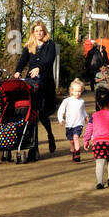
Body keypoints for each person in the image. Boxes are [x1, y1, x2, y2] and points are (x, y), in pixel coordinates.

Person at [15, 19, 57, 157]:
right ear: (33, 32)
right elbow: (23, 60)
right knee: (31, 114)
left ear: (44, 32)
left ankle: (50, 135)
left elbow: (49, 60)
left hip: (45, 82)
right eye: (36, 31)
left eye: (41, 31)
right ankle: (34, 147)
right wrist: (18, 71)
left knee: (42, 113)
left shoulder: (50, 45)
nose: (39, 33)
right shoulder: (30, 46)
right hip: (31, 83)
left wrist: (39, 68)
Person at [83, 85, 109, 188]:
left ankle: (100, 182)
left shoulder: (94, 116)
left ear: (97, 103)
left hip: (98, 142)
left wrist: (86, 140)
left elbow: (89, 129)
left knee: (99, 162)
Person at [57, 79, 88, 162]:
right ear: (71, 91)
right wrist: (61, 119)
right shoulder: (67, 101)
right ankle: (74, 150)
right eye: (76, 91)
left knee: (76, 136)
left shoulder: (81, 101)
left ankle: (77, 152)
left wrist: (86, 116)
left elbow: (83, 110)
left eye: (79, 91)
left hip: (79, 123)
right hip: (69, 124)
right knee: (71, 140)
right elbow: (61, 110)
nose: (78, 93)